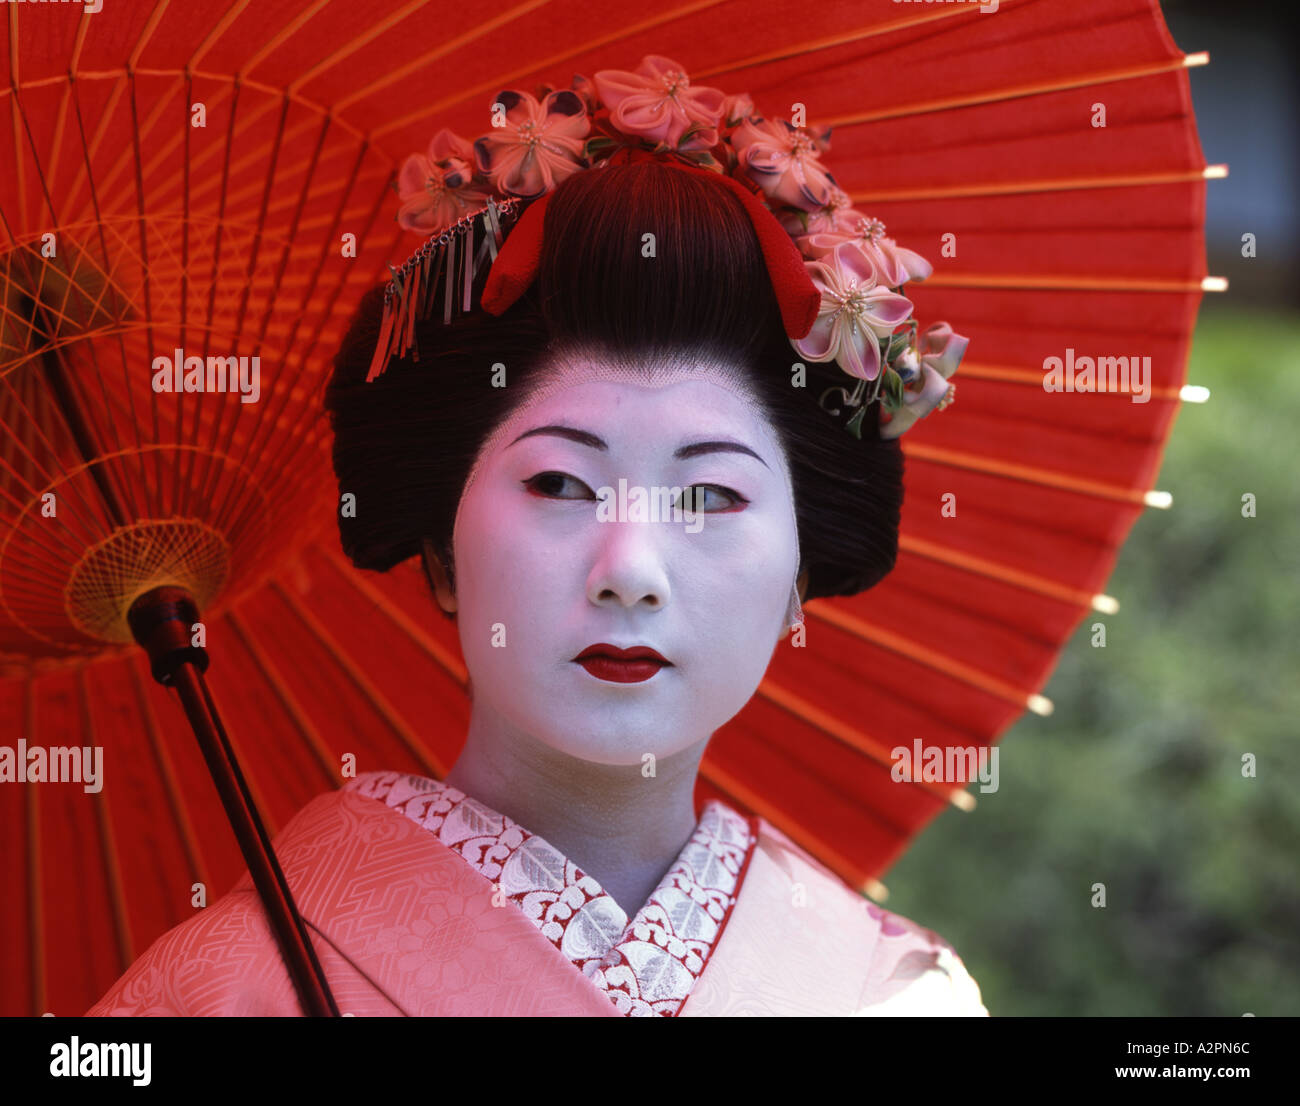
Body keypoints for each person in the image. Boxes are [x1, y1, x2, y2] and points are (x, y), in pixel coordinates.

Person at [87, 58, 983, 1017]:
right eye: (560, 482)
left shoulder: (888, 995)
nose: (629, 572)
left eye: (712, 496)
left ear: (798, 573)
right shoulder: (230, 992)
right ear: (441, 551)